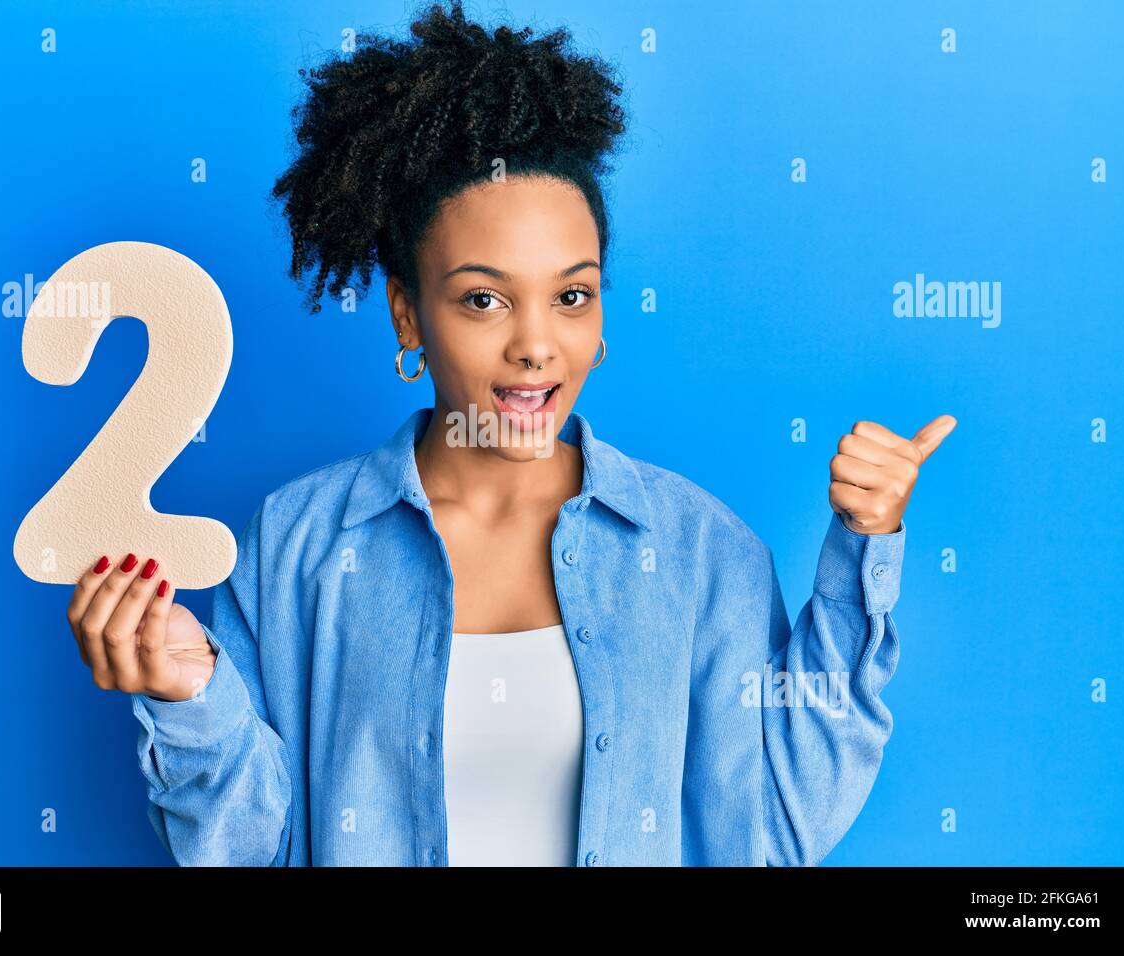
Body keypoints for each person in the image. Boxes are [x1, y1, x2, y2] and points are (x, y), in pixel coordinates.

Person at [64, 0, 955, 866]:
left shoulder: (697, 550)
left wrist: (861, 549)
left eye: (571, 295)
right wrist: (190, 697)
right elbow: (250, 851)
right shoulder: (297, 545)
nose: (536, 346)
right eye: (483, 299)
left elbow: (770, 831)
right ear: (408, 316)